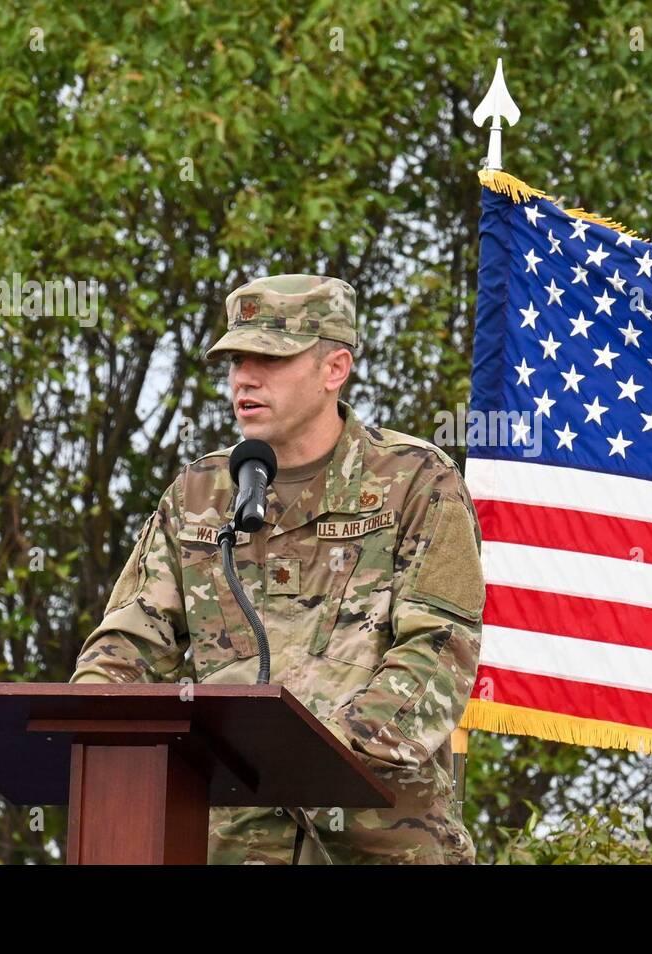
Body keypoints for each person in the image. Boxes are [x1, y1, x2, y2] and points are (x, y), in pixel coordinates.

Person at [69, 274, 484, 864]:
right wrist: (89, 729)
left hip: (376, 844)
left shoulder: (415, 480)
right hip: (228, 846)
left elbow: (439, 649)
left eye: (269, 358)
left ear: (334, 368)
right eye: (237, 360)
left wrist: (320, 757)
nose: (244, 379)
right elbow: (127, 645)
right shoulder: (199, 494)